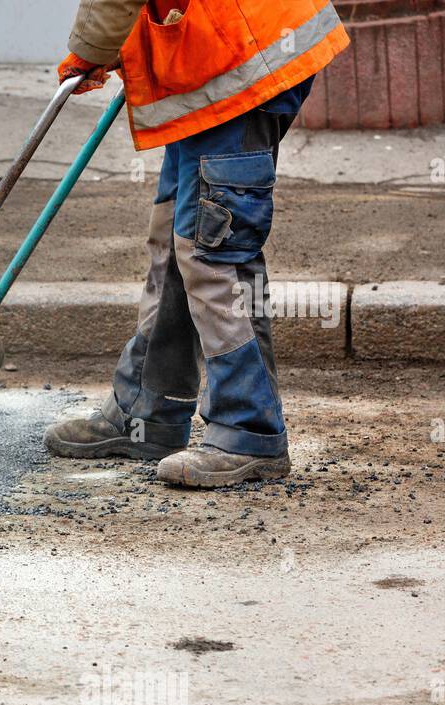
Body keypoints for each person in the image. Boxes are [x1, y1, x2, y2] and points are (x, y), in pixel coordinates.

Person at [45, 0, 349, 486]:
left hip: (238, 56)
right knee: (176, 237)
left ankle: (248, 429)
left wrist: (91, 51)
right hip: (215, 55)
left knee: (216, 256)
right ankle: (148, 411)